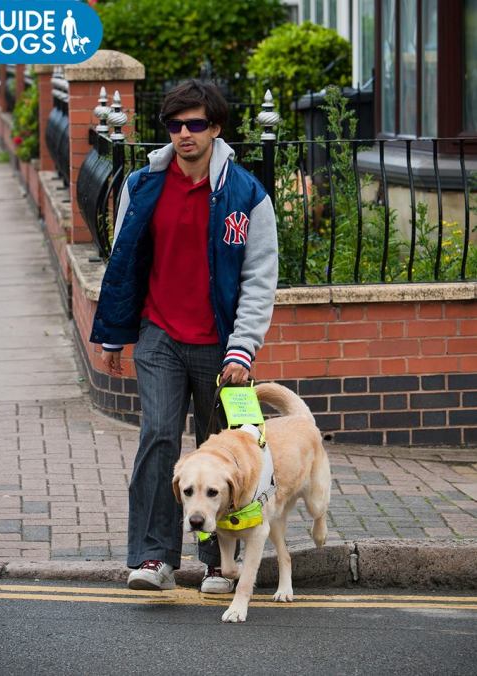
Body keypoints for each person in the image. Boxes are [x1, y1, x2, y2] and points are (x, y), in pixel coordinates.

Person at [90, 79, 278, 593]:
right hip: (160, 336)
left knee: (221, 454)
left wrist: (244, 346)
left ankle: (220, 562)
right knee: (158, 438)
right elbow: (123, 264)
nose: (184, 134)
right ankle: (153, 558)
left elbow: (261, 277)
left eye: (195, 124)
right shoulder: (143, 185)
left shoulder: (246, 194)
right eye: (175, 125)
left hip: (222, 347)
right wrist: (112, 337)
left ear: (215, 127)